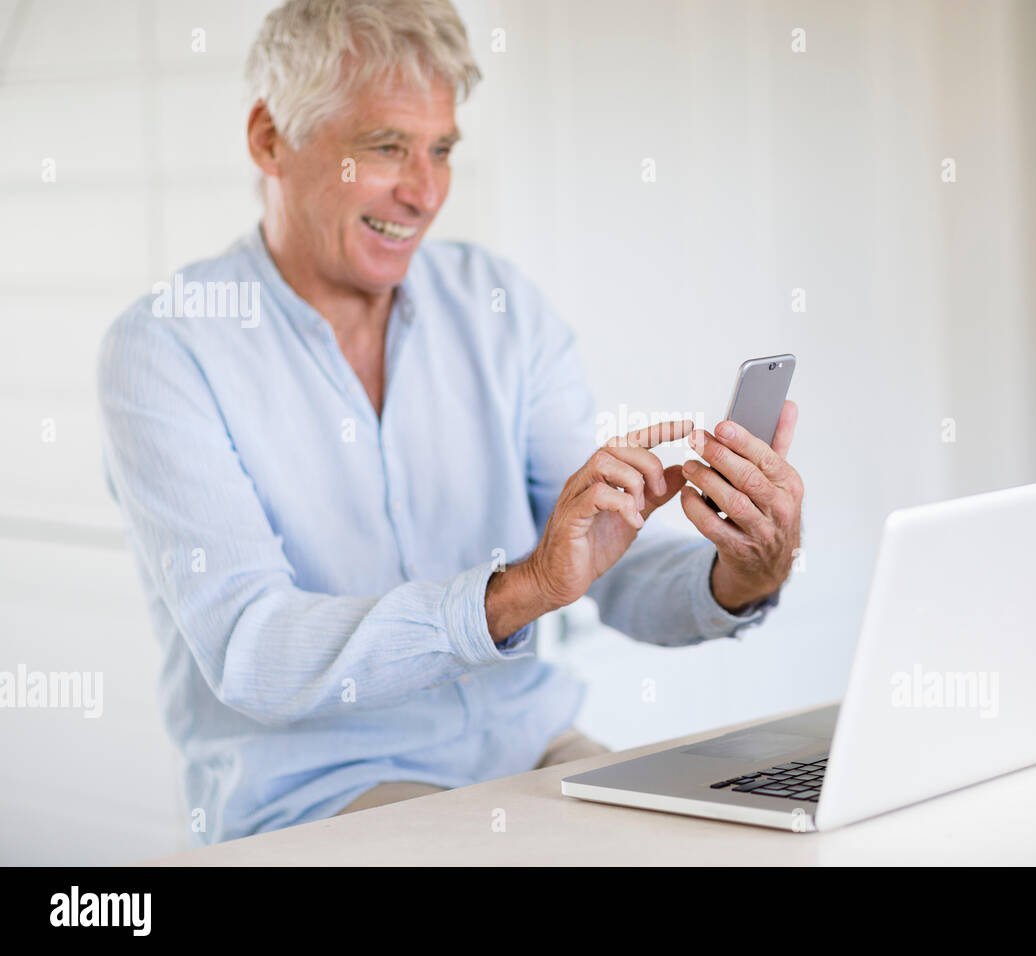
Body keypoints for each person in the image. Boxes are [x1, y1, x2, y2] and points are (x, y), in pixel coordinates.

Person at [96, 0, 803, 844]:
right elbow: (254, 650)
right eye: (386, 146)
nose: (425, 191)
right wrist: (517, 592)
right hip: (323, 796)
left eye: (440, 150)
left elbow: (606, 571)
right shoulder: (166, 350)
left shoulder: (497, 309)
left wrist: (743, 577)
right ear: (269, 139)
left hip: (532, 755)